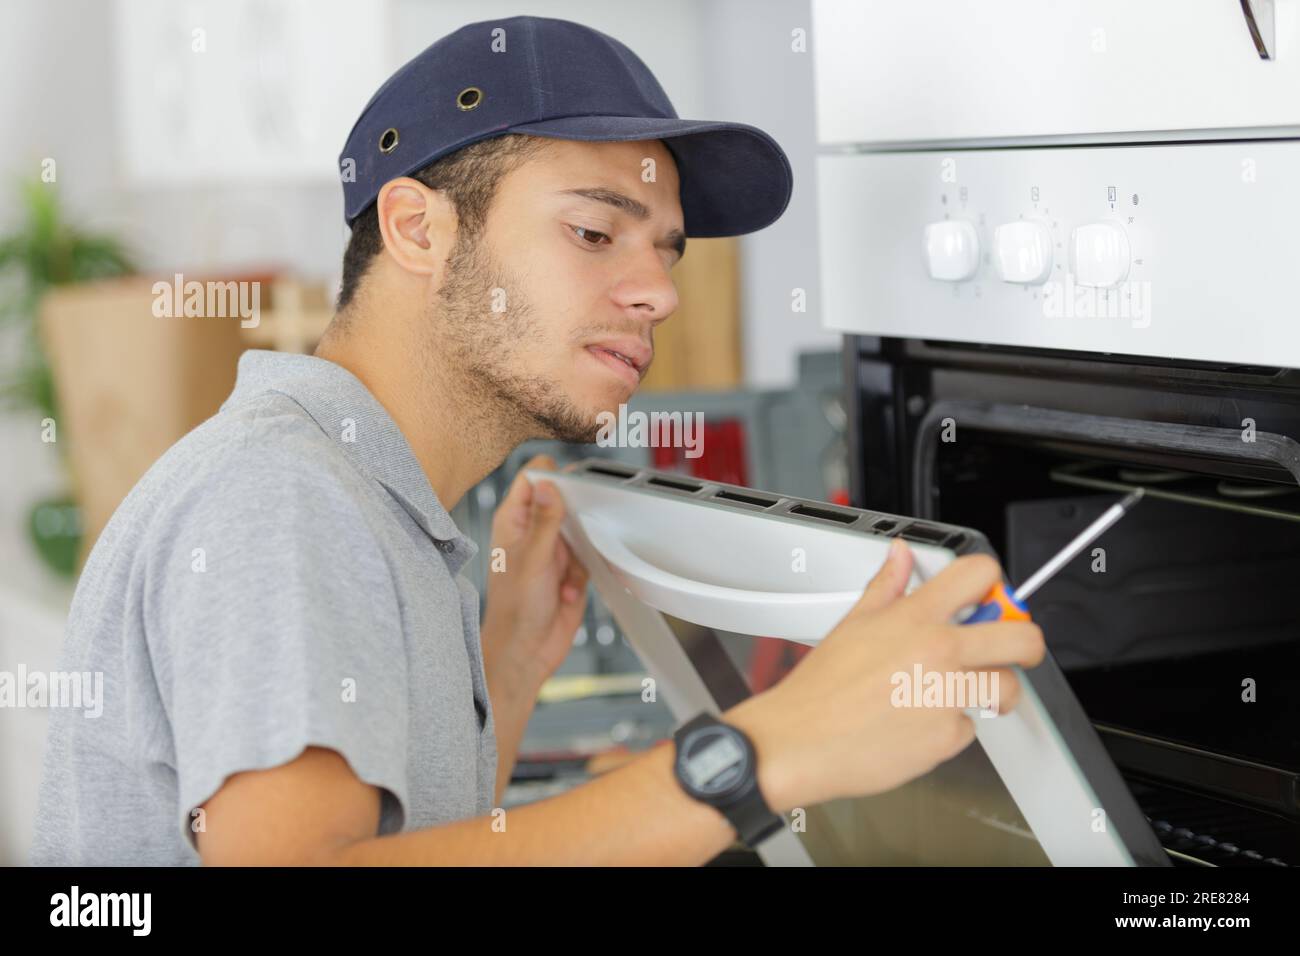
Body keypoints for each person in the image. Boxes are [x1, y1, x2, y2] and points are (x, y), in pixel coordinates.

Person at [31, 15, 1043, 866]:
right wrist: (764, 751)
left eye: (664, 248)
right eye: (596, 233)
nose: (657, 290)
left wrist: (502, 673)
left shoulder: (365, 498)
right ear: (418, 229)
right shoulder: (281, 495)